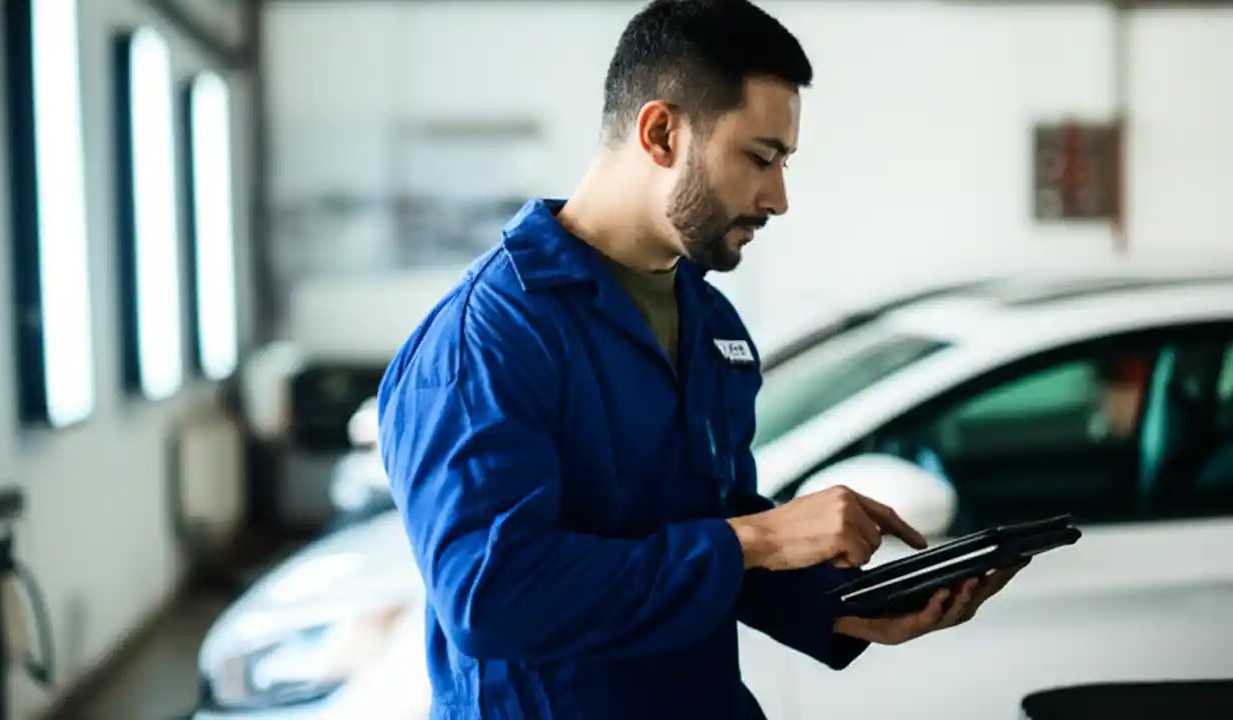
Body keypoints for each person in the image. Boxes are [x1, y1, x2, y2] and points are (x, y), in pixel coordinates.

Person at [378, 1, 1025, 717]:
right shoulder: (488, 337)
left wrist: (842, 608)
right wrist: (760, 536)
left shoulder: (712, 321)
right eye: (759, 157)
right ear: (661, 132)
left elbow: (707, 531)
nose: (777, 198)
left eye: (784, 161)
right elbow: (494, 596)